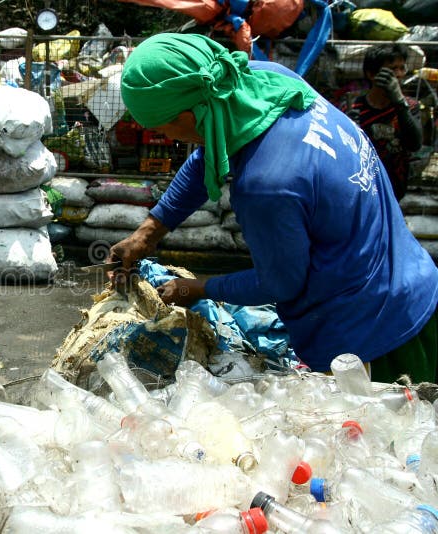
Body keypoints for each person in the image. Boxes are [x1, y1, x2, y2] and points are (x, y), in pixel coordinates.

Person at [109, 32, 438, 384]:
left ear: (192, 113)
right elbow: (210, 152)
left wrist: (200, 287)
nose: (171, 138)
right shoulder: (259, 79)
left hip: (375, 337)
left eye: (163, 127)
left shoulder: (266, 185)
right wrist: (147, 234)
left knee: (383, 435)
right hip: (414, 281)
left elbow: (282, 284)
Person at [345, 43, 423, 201]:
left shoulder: (409, 106)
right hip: (364, 189)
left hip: (395, 189)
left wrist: (400, 102)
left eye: (402, 68)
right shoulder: (355, 107)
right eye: (393, 70)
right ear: (372, 74)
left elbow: (414, 144)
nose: (399, 74)